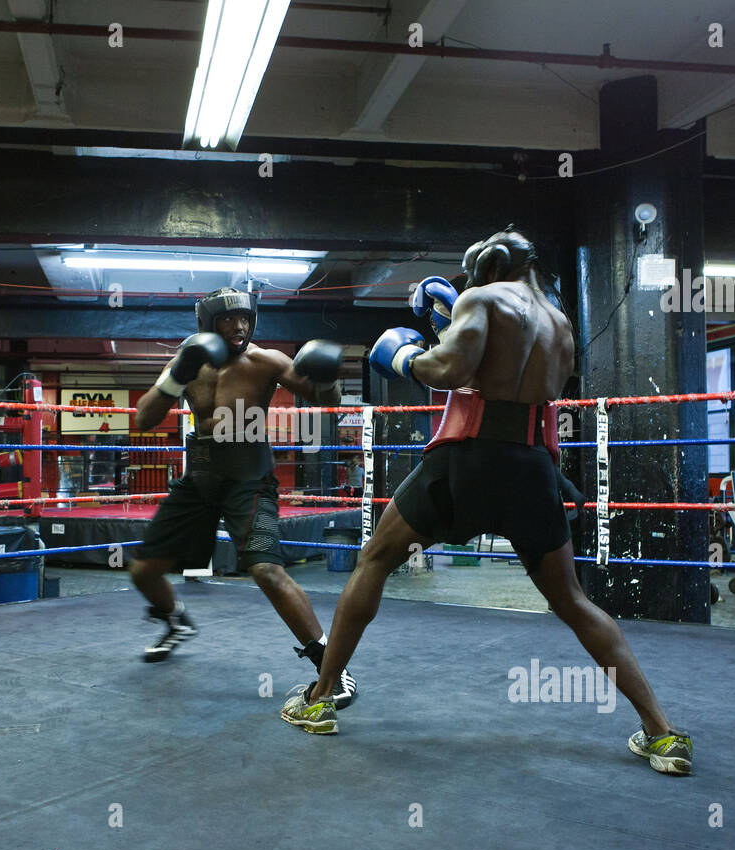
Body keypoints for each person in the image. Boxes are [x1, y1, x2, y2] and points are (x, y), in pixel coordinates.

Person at [281, 229, 692, 775]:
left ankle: (321, 699)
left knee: (375, 559)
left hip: (467, 461)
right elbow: (527, 389)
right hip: (530, 469)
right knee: (572, 601)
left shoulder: (482, 299)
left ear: (482, 269)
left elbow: (449, 372)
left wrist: (404, 356)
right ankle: (661, 734)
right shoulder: (560, 320)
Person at [129, 287, 359, 707]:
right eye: (229, 320)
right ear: (207, 323)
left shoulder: (265, 359)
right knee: (143, 571)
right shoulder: (190, 361)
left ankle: (333, 669)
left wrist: (328, 375)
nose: (239, 327)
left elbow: (325, 400)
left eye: (245, 319)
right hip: (198, 476)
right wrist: (178, 372)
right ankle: (175, 622)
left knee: (266, 570)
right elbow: (144, 419)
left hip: (249, 476)